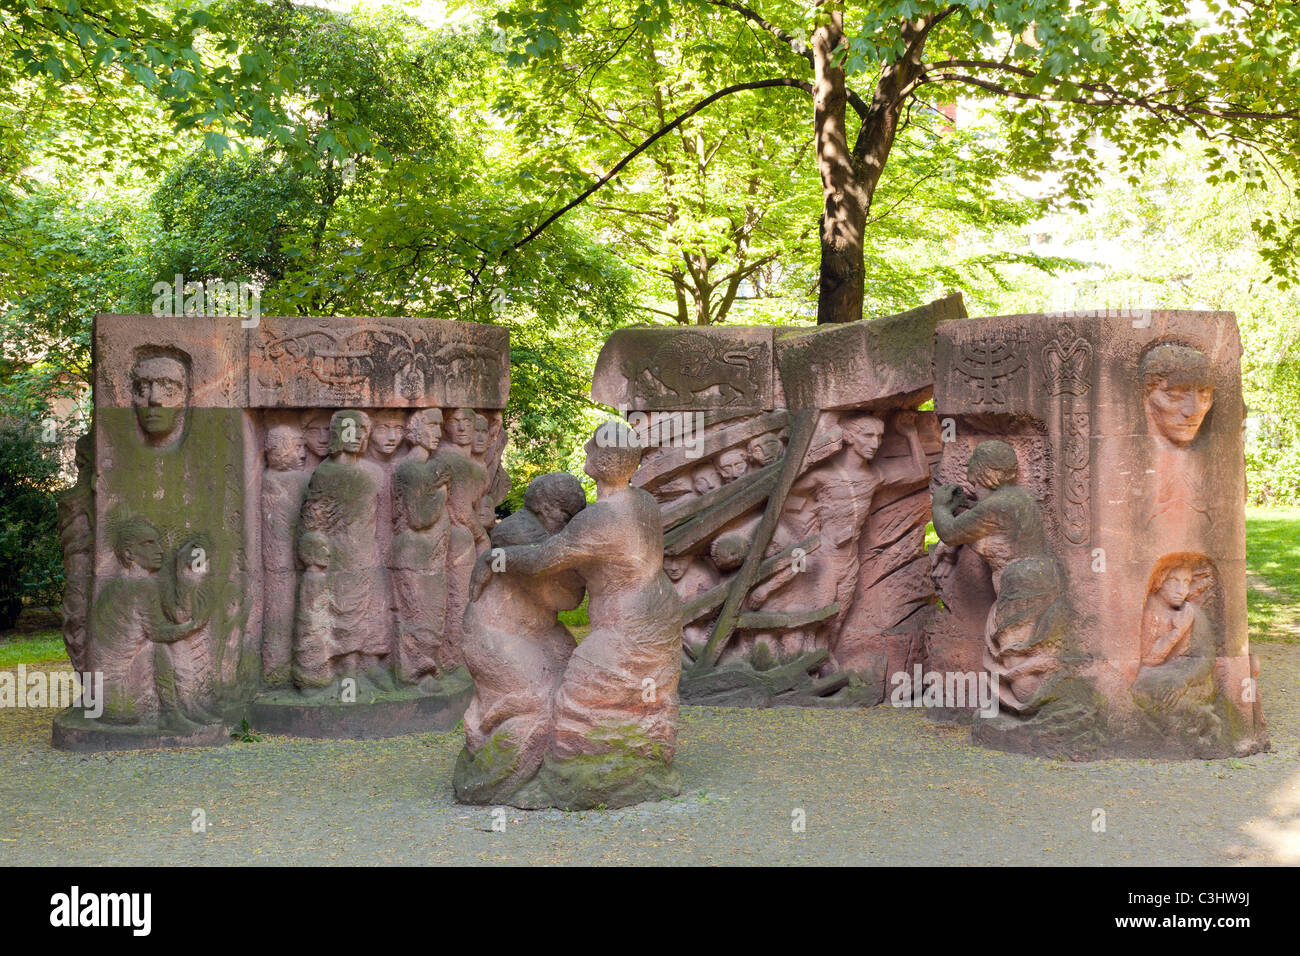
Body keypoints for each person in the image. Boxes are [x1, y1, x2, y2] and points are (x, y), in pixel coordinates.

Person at [455, 473, 588, 803]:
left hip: (539, 632)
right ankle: (496, 772)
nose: (569, 526)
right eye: (566, 518)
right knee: (543, 703)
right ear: (545, 507)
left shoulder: (539, 532)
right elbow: (563, 597)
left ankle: (566, 765)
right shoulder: (519, 531)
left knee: (581, 684)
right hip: (498, 634)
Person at [932, 441, 1067, 716]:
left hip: (1020, 584)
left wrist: (940, 506)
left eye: (971, 462)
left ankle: (1032, 709)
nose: (966, 466)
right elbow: (985, 522)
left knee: (1016, 653)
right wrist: (966, 504)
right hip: (1038, 578)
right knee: (1027, 647)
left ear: (982, 470)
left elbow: (949, 532)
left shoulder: (996, 506)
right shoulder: (1019, 498)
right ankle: (1039, 703)